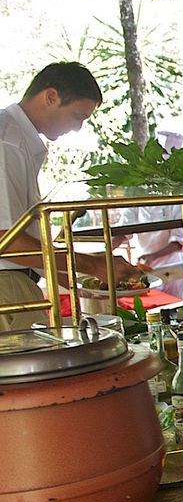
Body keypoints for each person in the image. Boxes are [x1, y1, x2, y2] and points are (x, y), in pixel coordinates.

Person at [0, 62, 140, 331]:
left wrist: (69, 279)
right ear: (51, 96)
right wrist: (92, 265)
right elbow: (7, 240)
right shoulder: (7, 141)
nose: (77, 128)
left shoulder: (15, 138)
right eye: (78, 116)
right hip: (7, 287)